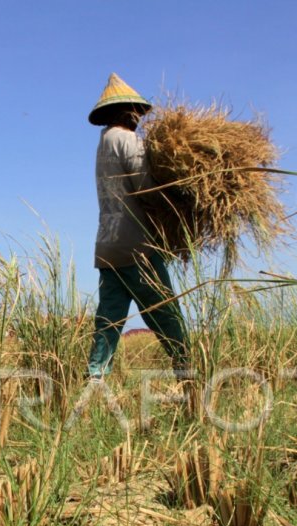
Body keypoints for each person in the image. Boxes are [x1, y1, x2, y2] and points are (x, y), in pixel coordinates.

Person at [86, 73, 191, 384]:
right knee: (166, 314)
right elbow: (144, 188)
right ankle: (188, 376)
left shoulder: (103, 142)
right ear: (126, 111)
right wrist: (178, 199)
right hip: (138, 246)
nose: (138, 119)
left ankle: (95, 380)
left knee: (108, 321)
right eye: (135, 112)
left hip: (108, 247)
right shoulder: (127, 140)